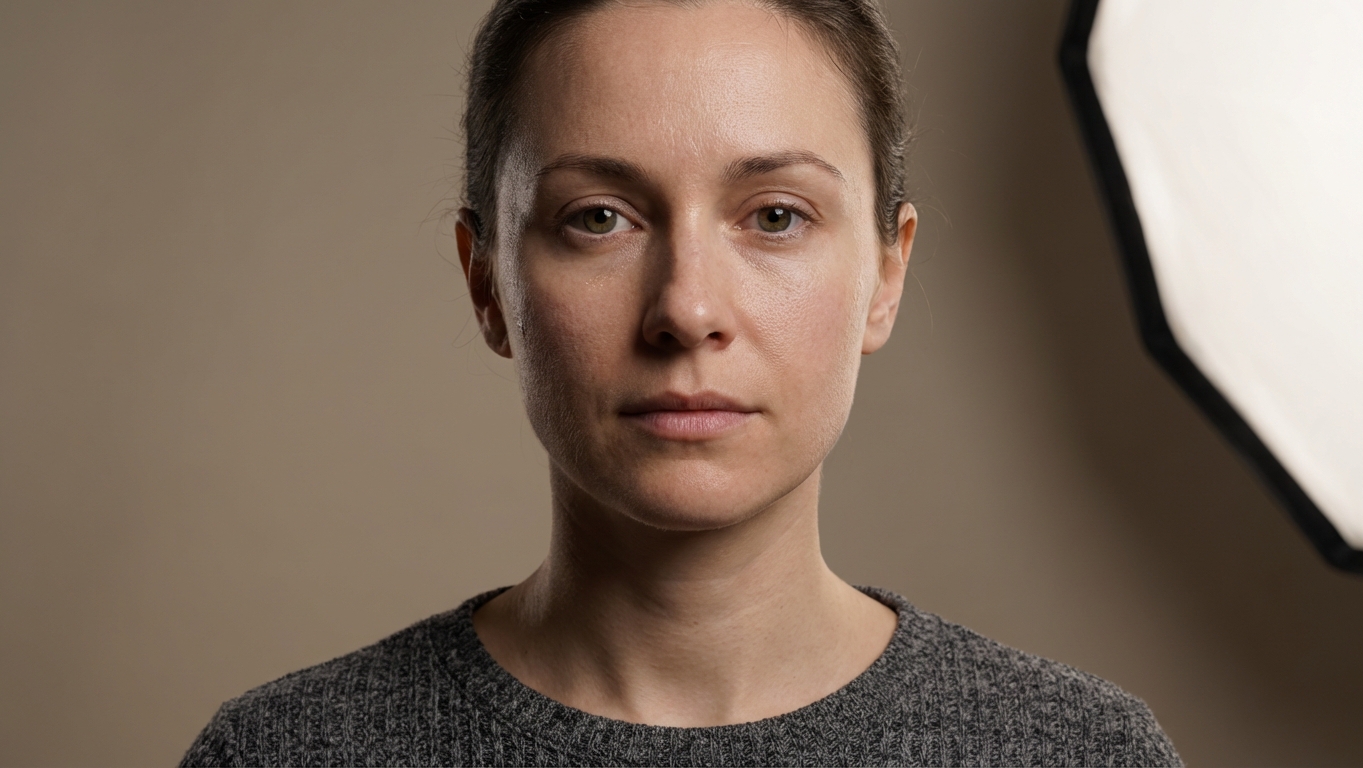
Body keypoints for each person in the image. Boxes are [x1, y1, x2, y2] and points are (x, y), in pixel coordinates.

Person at [182, 0, 1181, 765]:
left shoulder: (1081, 754)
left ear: (886, 275)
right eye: (598, 218)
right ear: (487, 282)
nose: (686, 308)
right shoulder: (285, 754)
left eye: (775, 216)